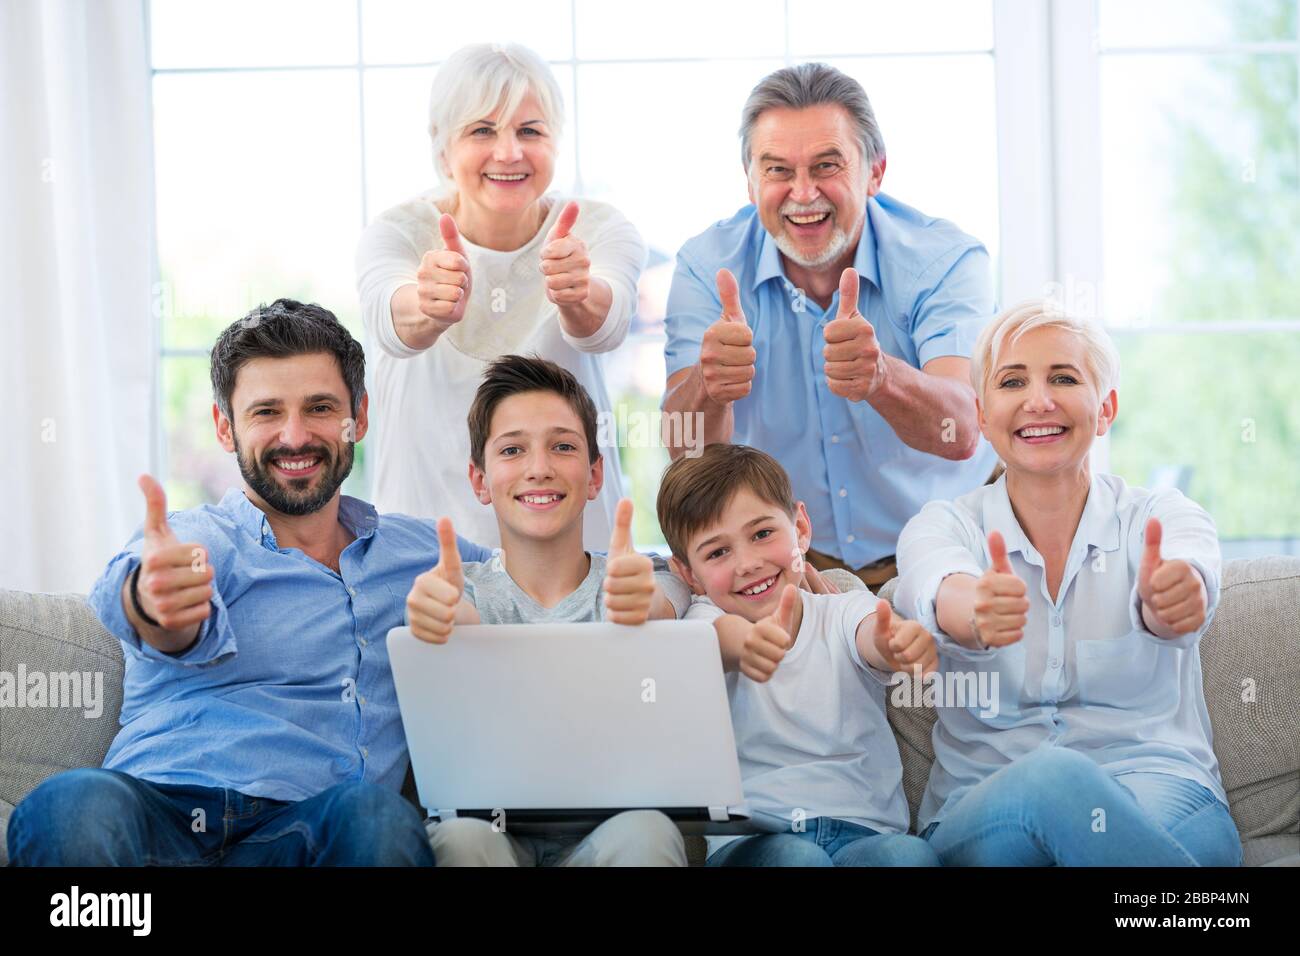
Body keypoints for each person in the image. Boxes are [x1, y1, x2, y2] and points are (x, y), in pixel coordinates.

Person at [6, 300, 494, 866]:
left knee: (378, 816)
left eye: (319, 407)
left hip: (308, 835)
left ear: (357, 418)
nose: (295, 435)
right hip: (160, 822)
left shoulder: (429, 554)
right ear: (225, 426)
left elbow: (542, 588)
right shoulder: (200, 538)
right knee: (70, 804)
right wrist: (155, 603)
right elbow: (147, 593)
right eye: (266, 412)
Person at [894, 300, 1241, 866]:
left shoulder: (1164, 517)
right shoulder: (943, 525)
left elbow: (1190, 577)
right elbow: (938, 586)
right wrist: (976, 609)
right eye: (1013, 382)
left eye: (1064, 377)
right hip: (991, 806)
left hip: (1158, 787)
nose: (1038, 399)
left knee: (1189, 846)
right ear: (981, 415)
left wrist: (1170, 601)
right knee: (1054, 781)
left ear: (1105, 409)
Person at [662, 62, 998, 587]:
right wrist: (709, 387)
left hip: (945, 550)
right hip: (789, 566)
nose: (802, 193)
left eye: (826, 166)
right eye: (777, 170)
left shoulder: (944, 260)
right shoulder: (707, 268)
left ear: (875, 172)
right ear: (750, 183)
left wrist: (882, 379)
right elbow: (683, 448)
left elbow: (964, 431)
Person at [356, 42, 645, 552]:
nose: (509, 152)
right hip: (425, 557)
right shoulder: (397, 233)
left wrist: (577, 295)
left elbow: (607, 324)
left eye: (529, 131)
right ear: (443, 148)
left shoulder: (598, 229)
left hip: (572, 560)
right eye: (482, 130)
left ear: (555, 142)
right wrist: (427, 307)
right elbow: (391, 324)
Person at [407, 355, 689, 866]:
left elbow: (662, 601)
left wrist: (641, 601)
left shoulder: (638, 575)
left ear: (595, 474)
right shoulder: (460, 591)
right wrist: (443, 615)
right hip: (489, 834)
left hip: (613, 835)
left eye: (563, 446)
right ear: (479, 480)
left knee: (649, 831)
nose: (539, 468)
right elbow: (456, 617)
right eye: (513, 450)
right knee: (460, 840)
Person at [655, 443, 941, 867]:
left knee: (907, 856)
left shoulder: (842, 607)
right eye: (718, 552)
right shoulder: (703, 621)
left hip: (867, 832)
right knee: (797, 859)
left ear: (801, 529)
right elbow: (714, 643)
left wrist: (893, 643)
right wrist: (747, 645)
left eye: (762, 534)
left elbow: (869, 636)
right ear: (688, 574)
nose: (748, 563)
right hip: (756, 840)